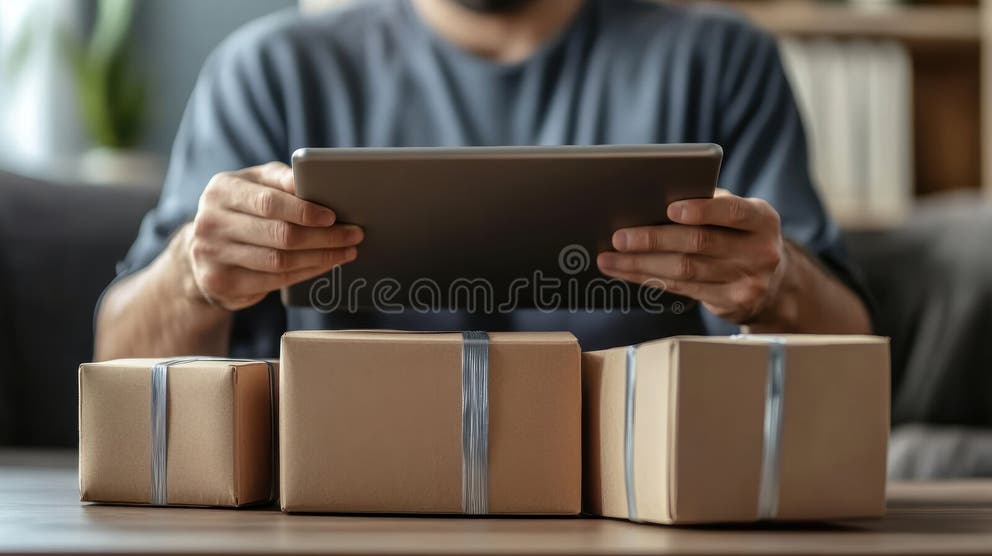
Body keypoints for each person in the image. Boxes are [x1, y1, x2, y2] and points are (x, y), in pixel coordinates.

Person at [95, 0, 872, 360]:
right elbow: (115, 358)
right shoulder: (268, 72)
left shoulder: (719, 61)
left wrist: (777, 285)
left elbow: (855, 348)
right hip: (344, 506)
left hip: (637, 509)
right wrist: (193, 276)